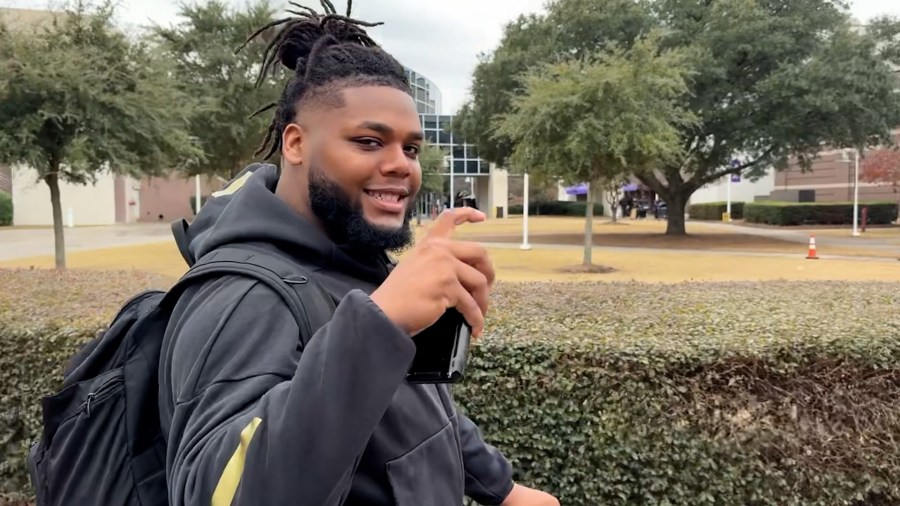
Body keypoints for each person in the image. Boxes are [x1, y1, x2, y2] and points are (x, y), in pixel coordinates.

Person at [157, 3, 559, 506]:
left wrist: (502, 489)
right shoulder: (243, 295)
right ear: (297, 144)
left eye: (411, 149)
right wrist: (380, 323)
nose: (401, 166)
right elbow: (211, 493)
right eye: (369, 141)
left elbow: (409, 407)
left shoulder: (352, 261)